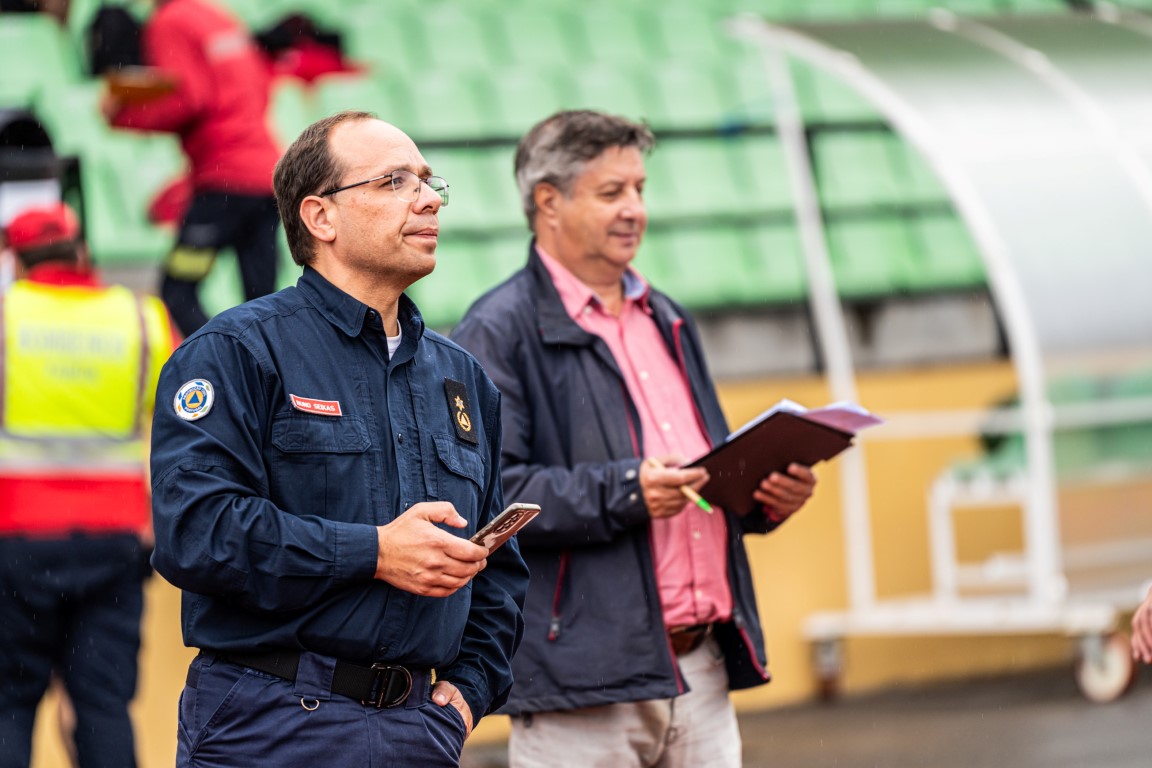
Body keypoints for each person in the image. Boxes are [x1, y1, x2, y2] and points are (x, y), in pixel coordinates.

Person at [148, 110, 530, 767]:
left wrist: (469, 692)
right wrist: (374, 552)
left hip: (420, 731)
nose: (428, 199)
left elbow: (500, 571)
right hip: (268, 725)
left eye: (428, 181)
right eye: (394, 181)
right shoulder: (235, 351)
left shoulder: (463, 379)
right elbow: (197, 532)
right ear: (320, 217)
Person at [450, 109, 819, 767]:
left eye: (640, 189)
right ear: (548, 202)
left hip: (701, 669)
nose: (635, 209)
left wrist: (763, 500)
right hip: (583, 687)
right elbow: (490, 499)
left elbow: (703, 475)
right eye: (612, 191)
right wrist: (627, 490)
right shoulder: (496, 330)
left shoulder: (666, 315)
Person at [0, 202, 177, 768]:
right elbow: (192, 426)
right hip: (115, 540)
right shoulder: (142, 319)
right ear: (81, 251)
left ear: (17, 260)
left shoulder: (6, 317)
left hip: (16, 538)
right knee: (102, 705)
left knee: (9, 705)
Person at [103, 0, 282, 337]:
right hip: (265, 181)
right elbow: (260, 84)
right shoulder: (217, 17)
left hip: (225, 186)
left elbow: (190, 99)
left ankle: (222, 360)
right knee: (262, 305)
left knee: (178, 291)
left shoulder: (169, 22)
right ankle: (259, 366)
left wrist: (123, 115)